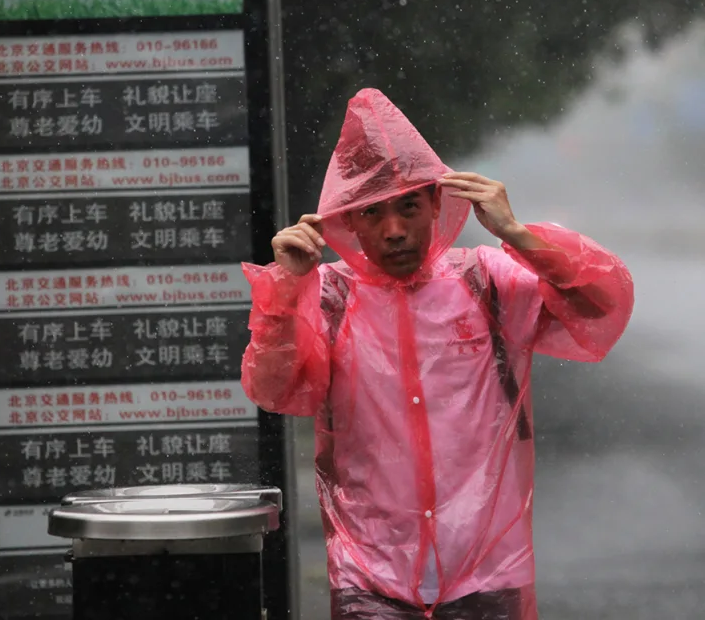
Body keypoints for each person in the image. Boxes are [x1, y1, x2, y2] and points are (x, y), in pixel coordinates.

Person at [240, 88, 634, 620]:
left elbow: (602, 306)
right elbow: (275, 387)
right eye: (372, 213)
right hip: (370, 572)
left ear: (436, 203)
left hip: (488, 570)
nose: (395, 230)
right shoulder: (328, 295)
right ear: (348, 223)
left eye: (408, 207)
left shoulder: (486, 280)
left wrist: (516, 233)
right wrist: (286, 287)